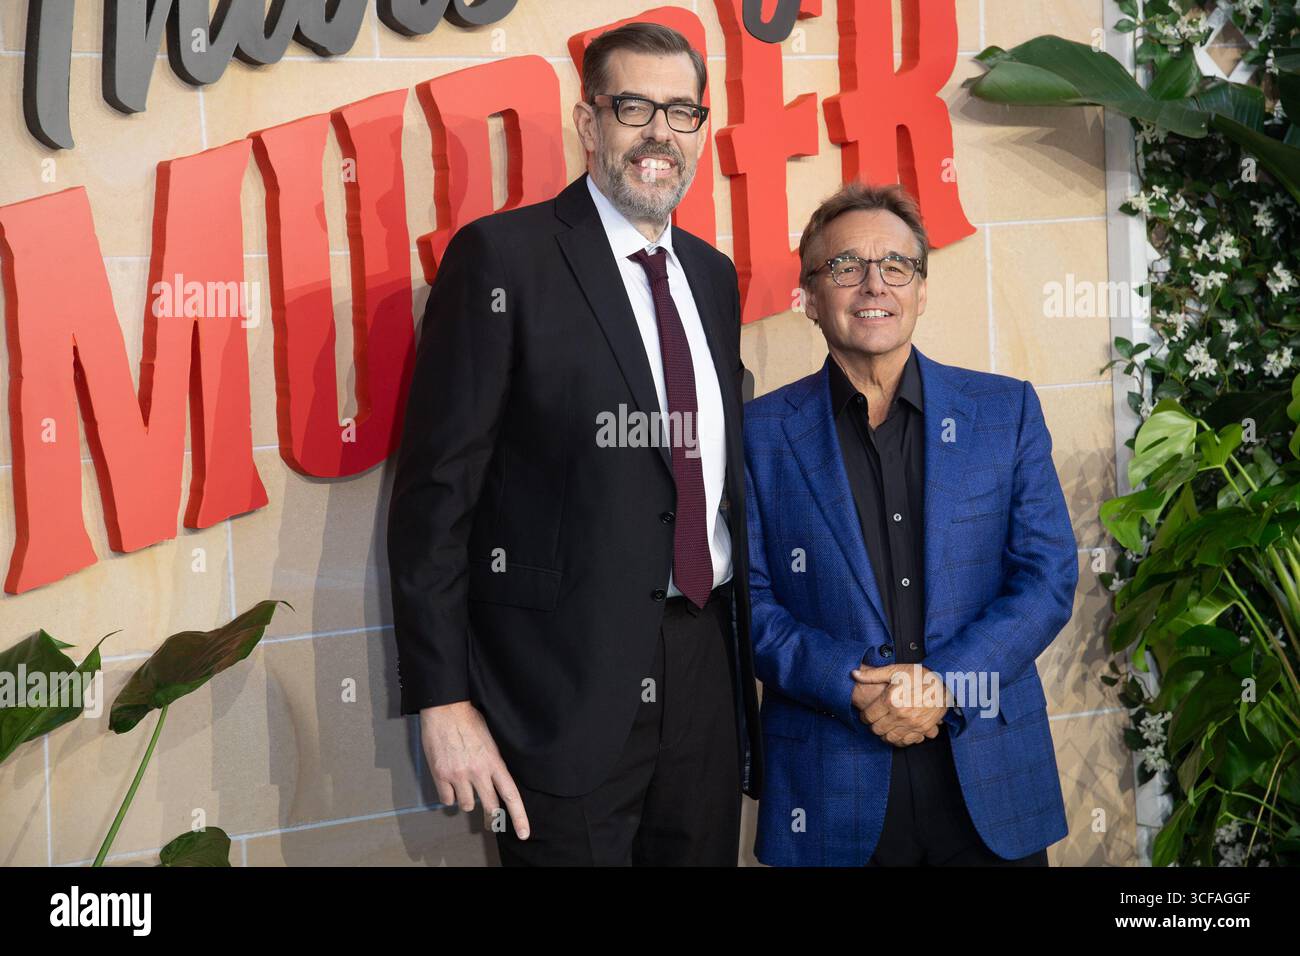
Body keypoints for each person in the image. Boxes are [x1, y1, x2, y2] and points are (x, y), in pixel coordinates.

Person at [386, 21, 761, 866]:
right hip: (560, 685)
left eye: (682, 112)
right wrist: (442, 700)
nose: (660, 133)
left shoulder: (711, 276)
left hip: (701, 663)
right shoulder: (501, 259)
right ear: (589, 123)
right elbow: (435, 501)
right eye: (634, 107)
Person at [744, 181, 1077, 866]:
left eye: (896, 265)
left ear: (922, 288)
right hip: (829, 777)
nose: (874, 285)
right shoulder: (758, 434)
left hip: (988, 770)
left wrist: (946, 683)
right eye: (846, 267)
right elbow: (747, 604)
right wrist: (854, 684)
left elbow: (1047, 578)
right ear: (808, 294)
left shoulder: (1002, 412)